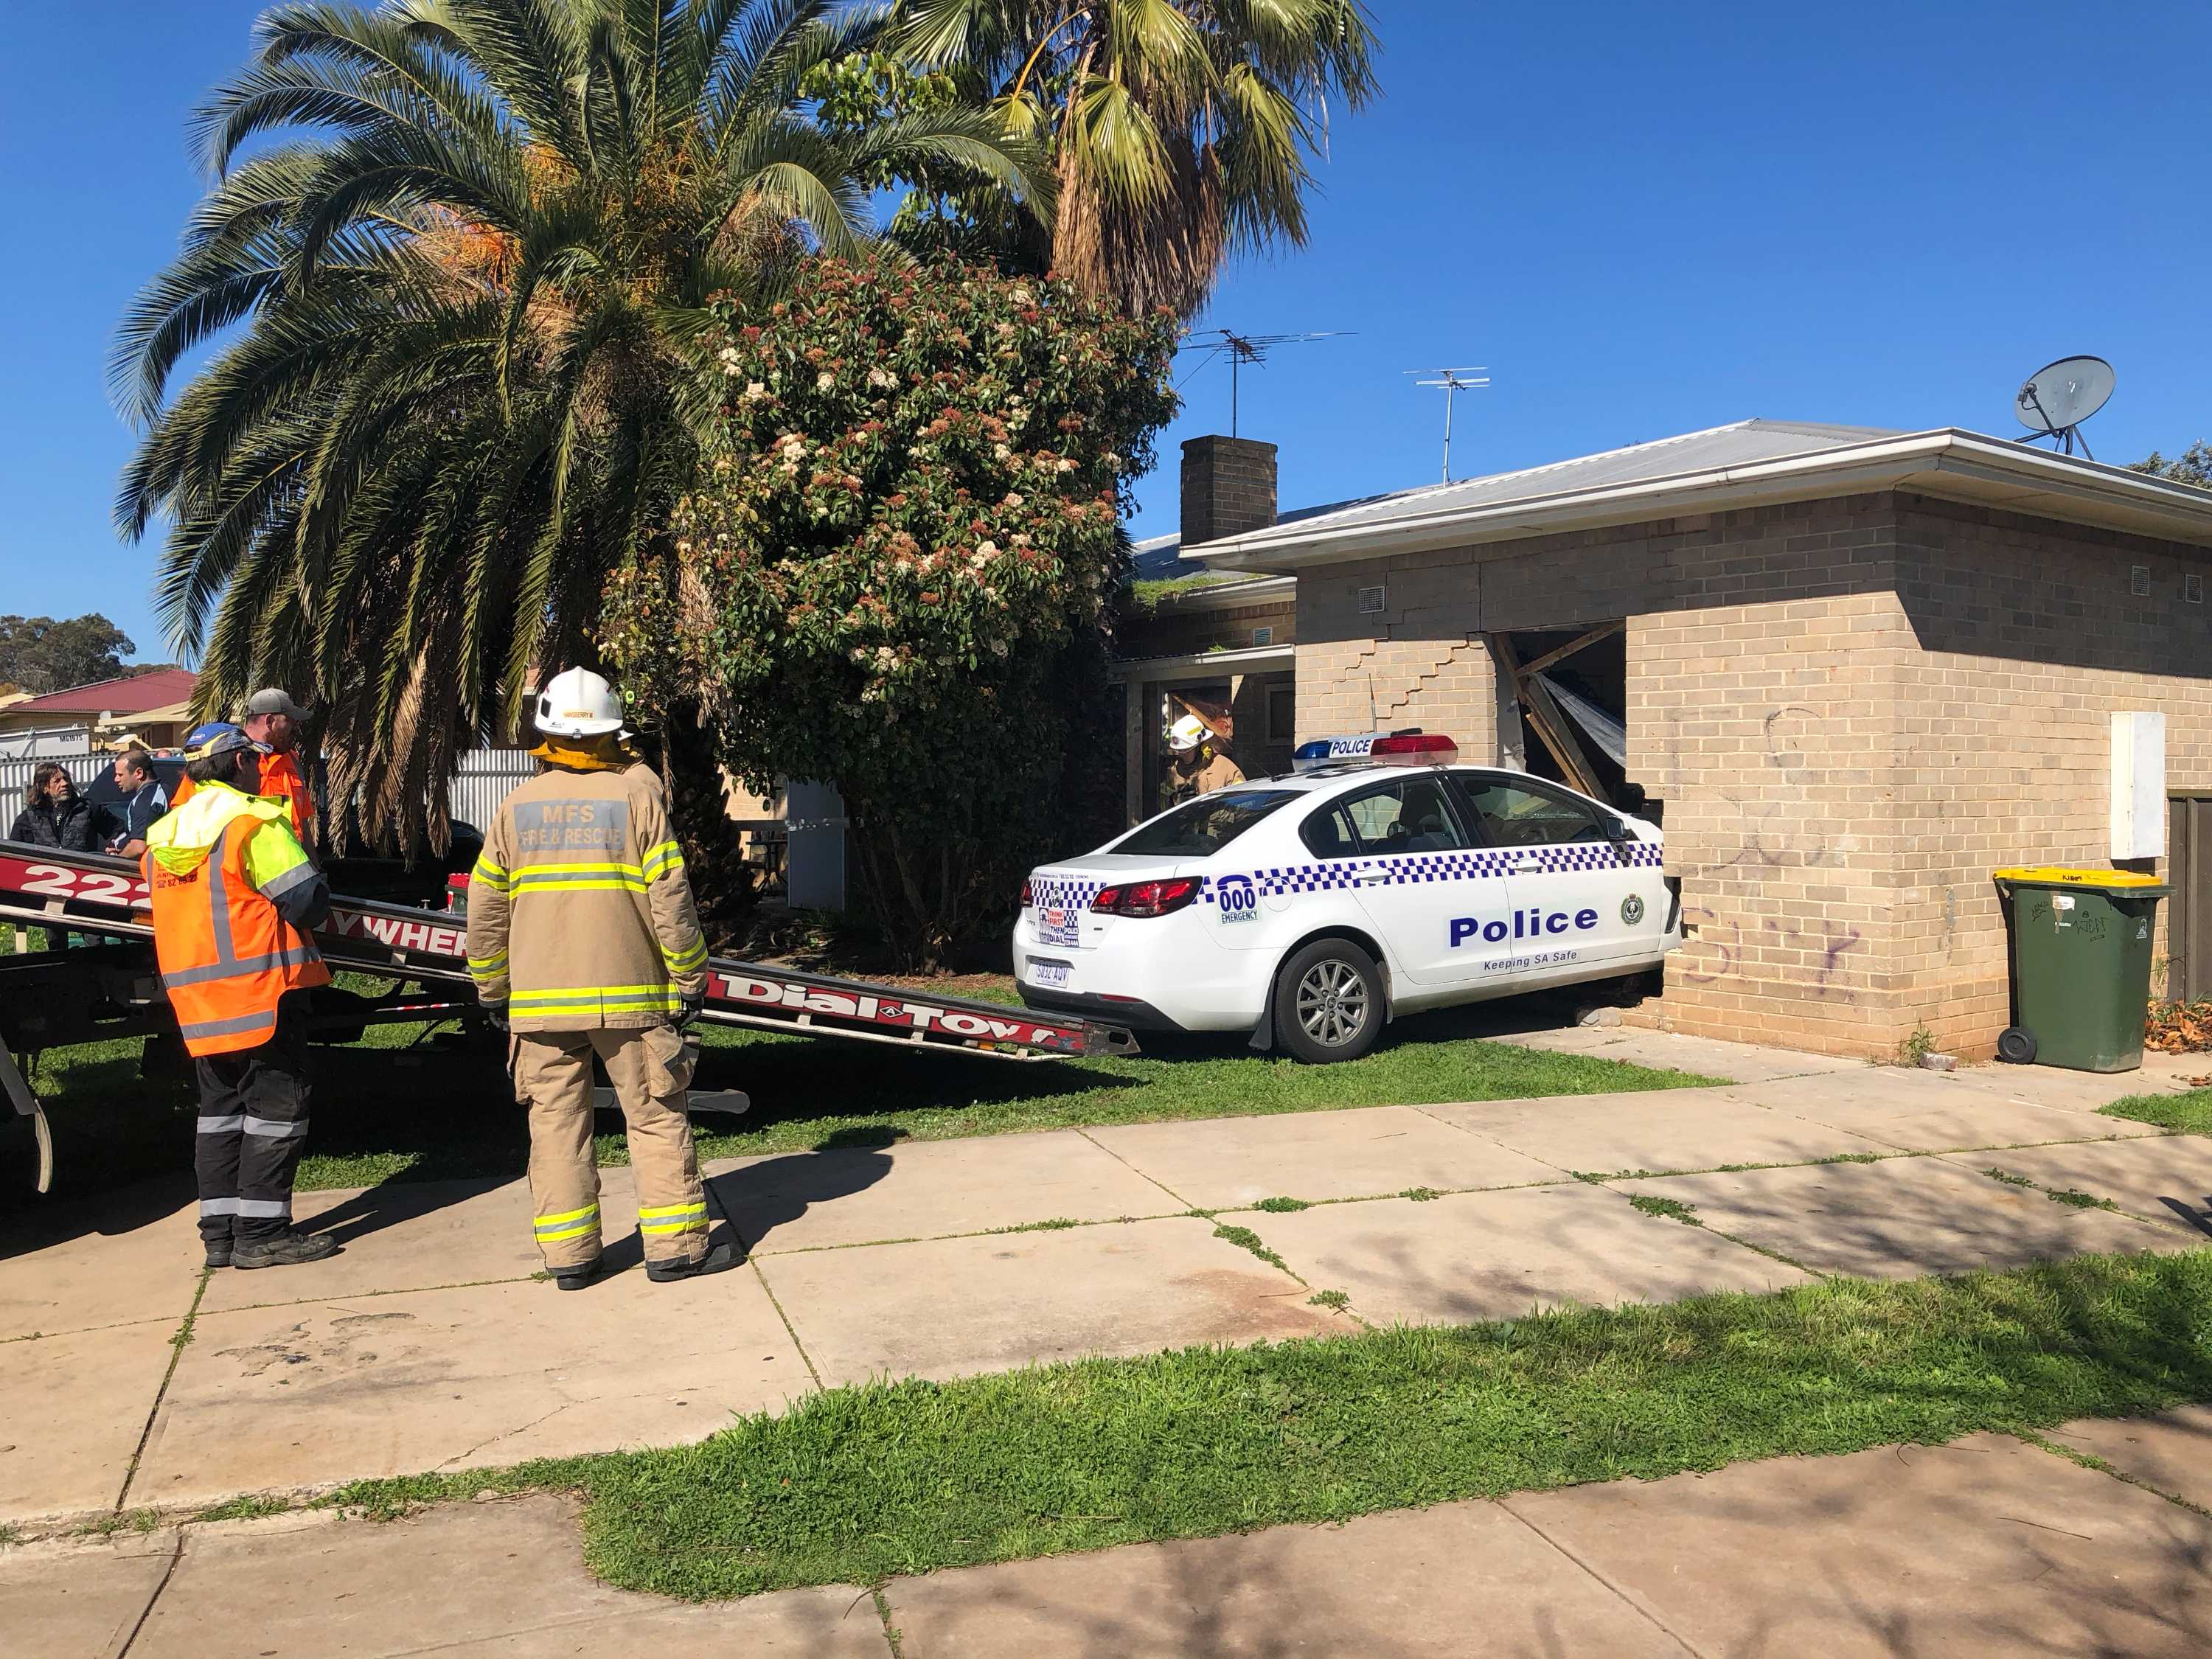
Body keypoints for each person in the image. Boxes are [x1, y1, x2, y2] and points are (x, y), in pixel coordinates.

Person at [465, 667, 733, 1291]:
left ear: (547, 733)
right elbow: (672, 898)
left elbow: (484, 910)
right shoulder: (637, 797)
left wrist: (492, 989)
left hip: (539, 1008)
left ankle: (572, 1260)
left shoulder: (514, 808)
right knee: (656, 1118)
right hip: (633, 1000)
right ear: (614, 731)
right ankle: (676, 1251)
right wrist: (692, 977)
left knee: (555, 1127)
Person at [144, 723, 336, 1270]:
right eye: (252, 759)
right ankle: (262, 1233)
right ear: (234, 765)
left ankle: (222, 1236)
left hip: (200, 1005)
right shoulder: (253, 823)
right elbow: (307, 901)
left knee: (220, 1116)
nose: (259, 767)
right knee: (277, 1113)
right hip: (264, 996)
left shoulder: (164, 837)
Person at [170, 688, 316, 849]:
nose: (296, 729)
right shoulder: (220, 759)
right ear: (270, 721)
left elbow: (303, 824)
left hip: (292, 866)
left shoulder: (292, 759)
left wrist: (315, 869)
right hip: (241, 867)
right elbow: (185, 824)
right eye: (290, 722)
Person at [1164, 705, 1245, 804]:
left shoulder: (1226, 769)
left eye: (1186, 750)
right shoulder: (1174, 773)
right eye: (1179, 751)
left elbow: (1244, 805)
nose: (1181, 755)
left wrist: (1211, 807)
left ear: (1201, 746)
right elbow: (1162, 806)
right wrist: (1176, 801)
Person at [10, 762, 102, 851]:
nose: (64, 784)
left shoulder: (87, 808)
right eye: (57, 781)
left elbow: (115, 830)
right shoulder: (27, 819)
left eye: (66, 779)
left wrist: (112, 847)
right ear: (44, 787)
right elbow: (14, 855)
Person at [109, 747, 170, 858]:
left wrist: (116, 860)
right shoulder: (165, 789)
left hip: (148, 869)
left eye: (120, 775)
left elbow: (138, 847)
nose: (116, 779)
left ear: (139, 773)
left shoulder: (145, 801)